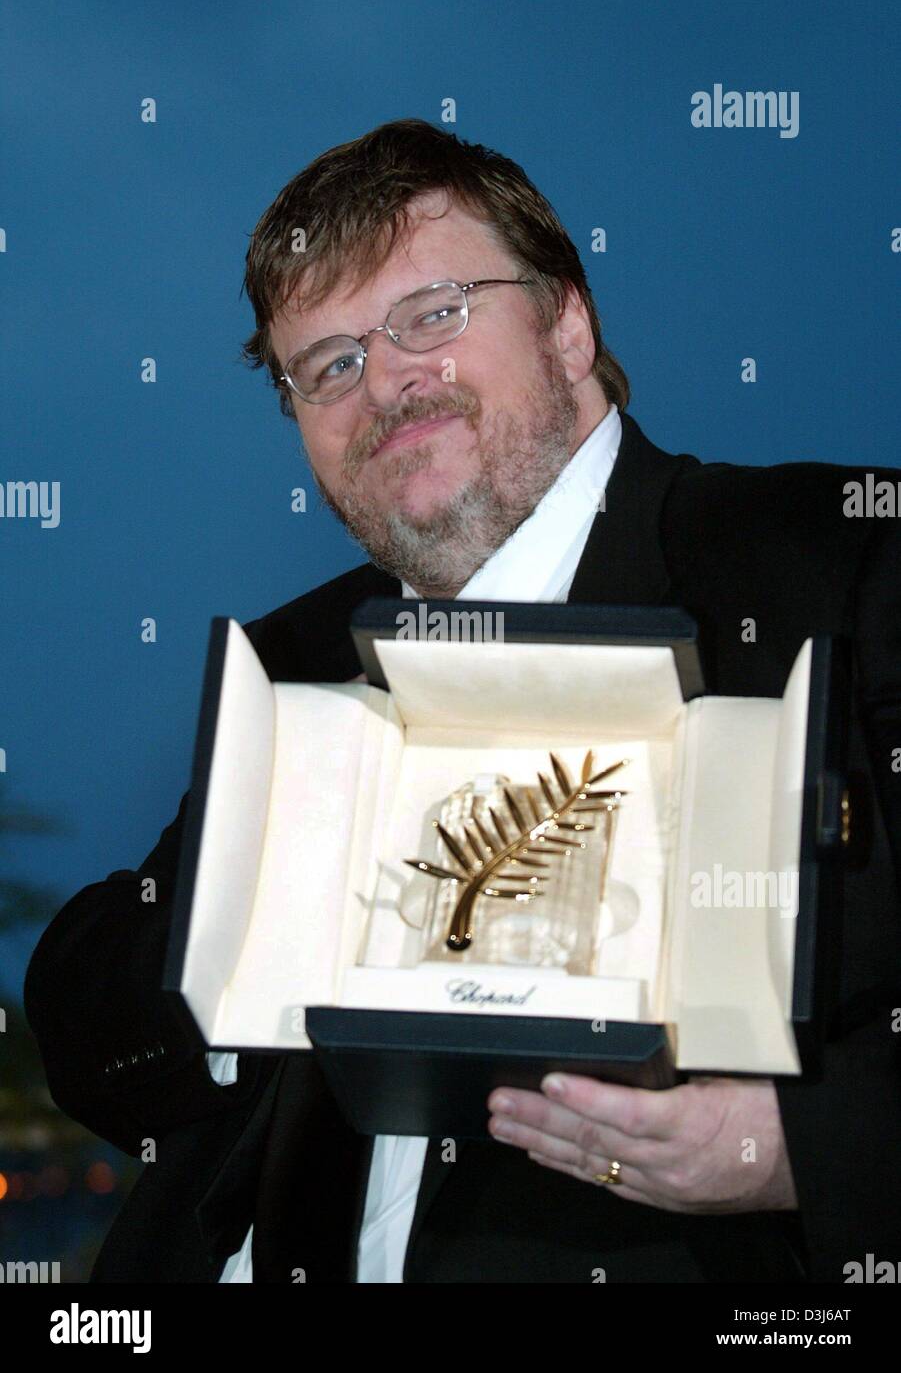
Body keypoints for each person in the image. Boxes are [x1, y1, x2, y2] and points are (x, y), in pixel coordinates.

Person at [25, 118, 901, 1284]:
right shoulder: (292, 658)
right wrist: (253, 942)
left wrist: (793, 1149)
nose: (384, 379)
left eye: (432, 313)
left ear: (568, 323)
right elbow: (87, 1020)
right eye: (327, 364)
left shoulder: (843, 560)